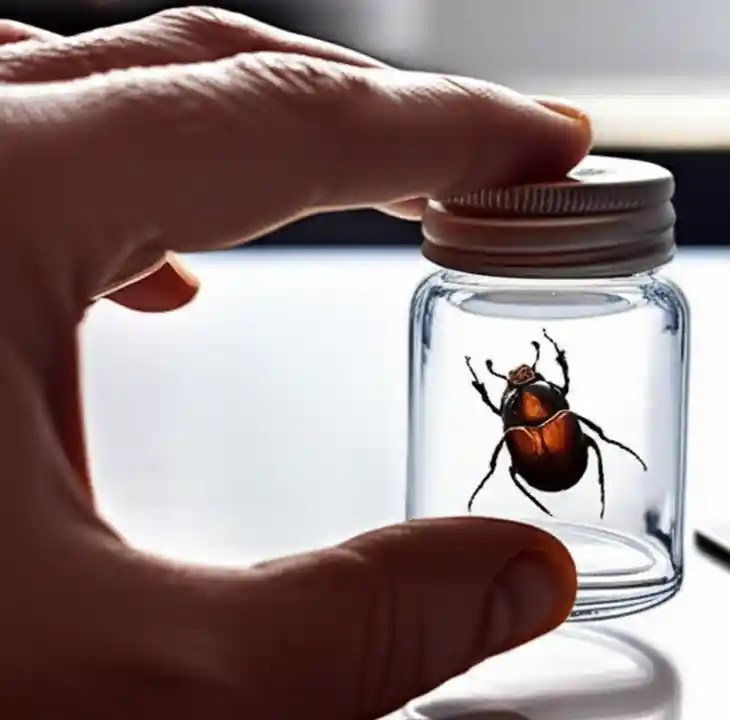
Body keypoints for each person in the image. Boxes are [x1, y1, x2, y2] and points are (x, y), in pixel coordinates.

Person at [0, 7, 592, 718]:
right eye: (527, 383)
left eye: (527, 384)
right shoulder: (532, 399)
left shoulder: (530, 406)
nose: (526, 387)